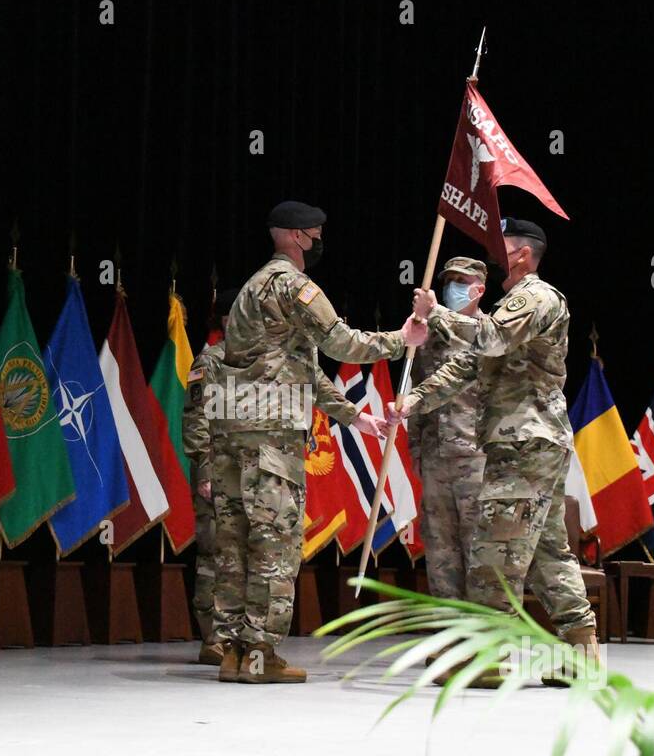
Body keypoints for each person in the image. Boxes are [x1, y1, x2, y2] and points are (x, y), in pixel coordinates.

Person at [210, 200, 427, 684]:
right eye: (315, 232)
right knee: (275, 545)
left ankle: (234, 653)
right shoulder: (292, 284)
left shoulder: (250, 288)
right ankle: (260, 657)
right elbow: (340, 343)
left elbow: (303, 369)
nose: (319, 240)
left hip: (233, 432)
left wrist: (354, 416)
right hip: (270, 437)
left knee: (239, 544)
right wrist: (402, 338)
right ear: (294, 236)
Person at [391, 217, 598, 683]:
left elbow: (490, 339)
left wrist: (437, 313)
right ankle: (580, 655)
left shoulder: (535, 296)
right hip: (524, 444)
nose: (494, 252)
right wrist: (413, 401)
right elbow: (468, 366)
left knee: (493, 553)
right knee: (548, 555)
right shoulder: (513, 304)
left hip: (524, 443)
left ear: (523, 254)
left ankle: (489, 660)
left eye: (501, 245)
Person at [183, 285, 369, 665]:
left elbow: (318, 388)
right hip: (227, 471)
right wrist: (204, 470)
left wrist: (358, 417)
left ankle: (246, 645)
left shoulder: (285, 357)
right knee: (225, 557)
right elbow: (197, 419)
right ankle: (222, 639)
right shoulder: (215, 359)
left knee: (266, 555)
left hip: (271, 471)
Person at [411, 256, 488, 603]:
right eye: (448, 281)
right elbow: (416, 396)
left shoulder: (493, 331)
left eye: (461, 280)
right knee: (440, 549)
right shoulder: (429, 337)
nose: (452, 287)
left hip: (478, 456)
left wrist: (433, 312)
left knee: (479, 547)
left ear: (479, 288)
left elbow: (470, 342)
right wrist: (416, 450)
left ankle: (480, 641)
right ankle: (449, 636)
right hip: (436, 456)